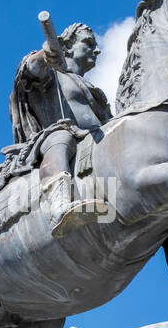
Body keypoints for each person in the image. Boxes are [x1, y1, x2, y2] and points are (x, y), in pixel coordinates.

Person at [8, 22, 113, 236]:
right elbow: (28, 71)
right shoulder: (51, 75)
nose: (97, 49)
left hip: (92, 142)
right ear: (68, 46)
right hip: (56, 141)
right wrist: (46, 54)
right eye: (88, 43)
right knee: (60, 136)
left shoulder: (95, 91)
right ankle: (59, 206)